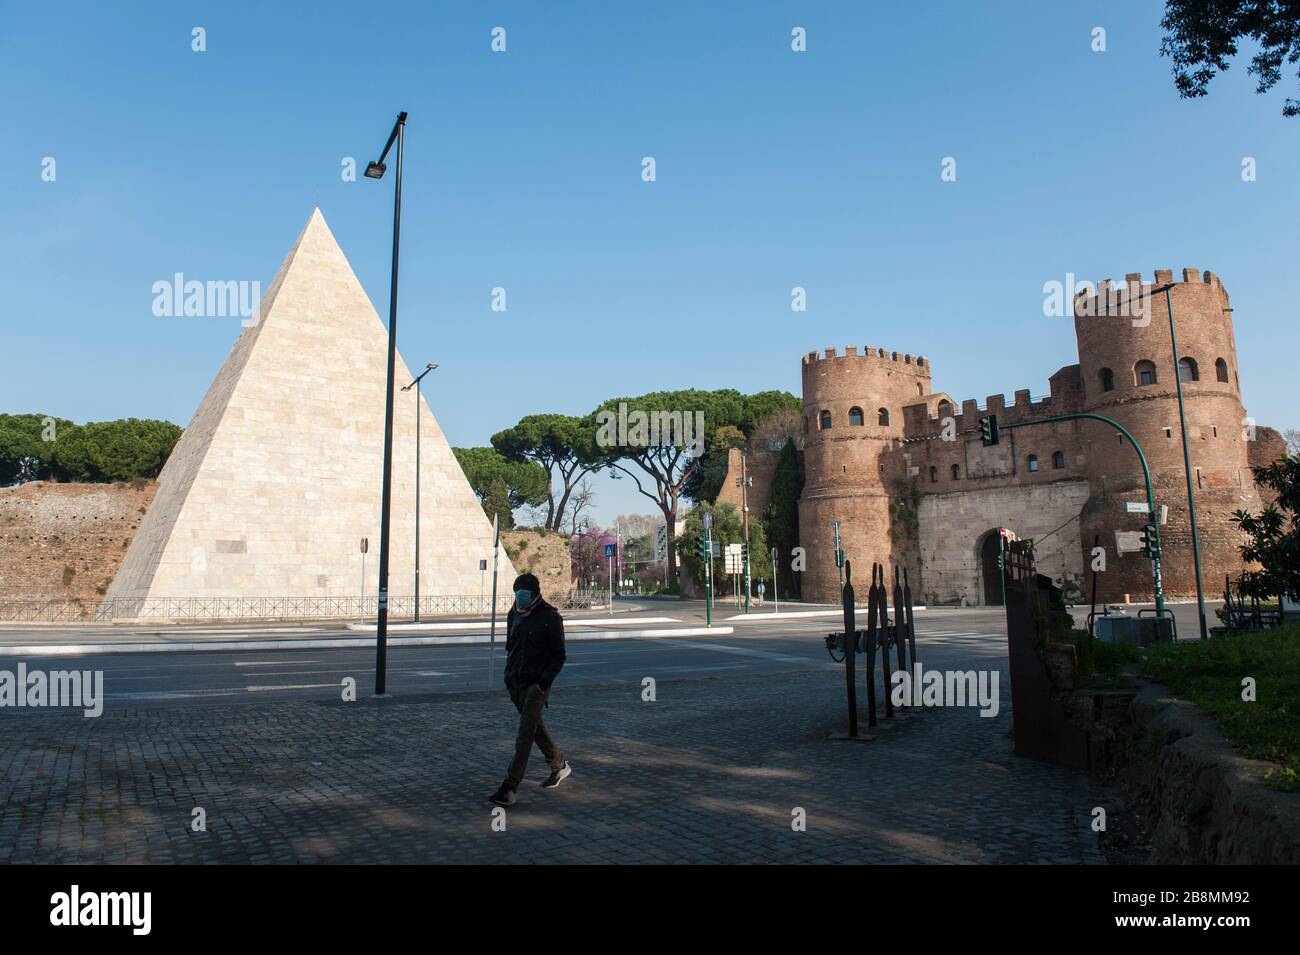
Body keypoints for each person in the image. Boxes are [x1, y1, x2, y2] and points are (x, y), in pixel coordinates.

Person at [489, 573, 570, 806]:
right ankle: (559, 765)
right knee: (535, 729)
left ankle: (509, 788)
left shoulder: (550, 618)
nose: (519, 598)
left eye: (523, 594)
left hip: (536, 686)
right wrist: (508, 677)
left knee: (524, 737)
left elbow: (559, 656)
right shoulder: (514, 614)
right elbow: (511, 648)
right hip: (516, 683)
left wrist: (542, 684)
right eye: (516, 594)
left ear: (535, 594)